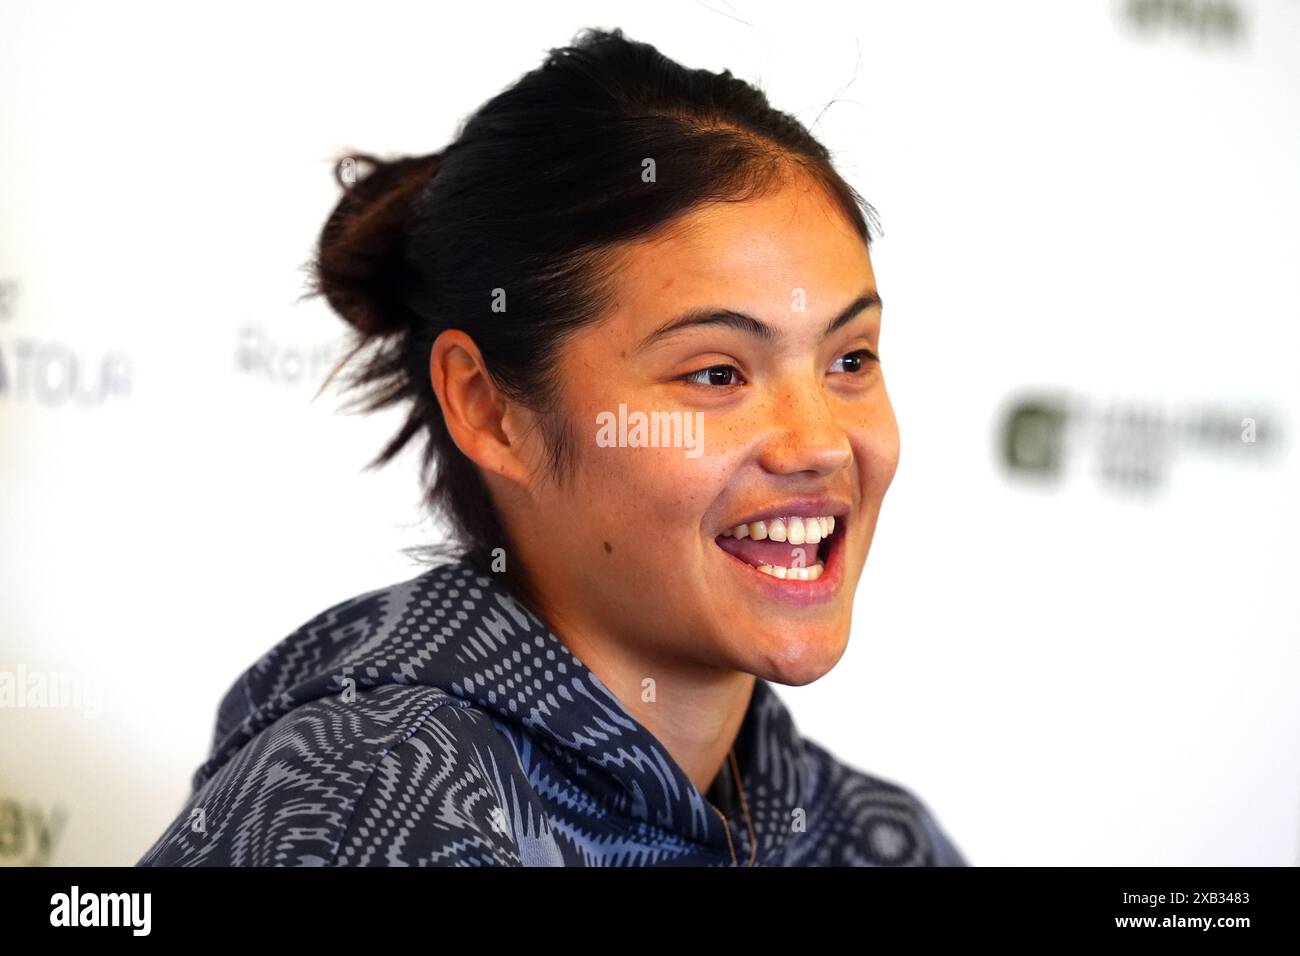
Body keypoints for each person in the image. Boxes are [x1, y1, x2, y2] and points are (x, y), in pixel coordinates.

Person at [138, 26, 966, 867]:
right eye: (717, 374)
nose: (821, 444)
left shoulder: (876, 840)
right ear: (492, 411)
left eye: (850, 359)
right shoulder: (361, 807)